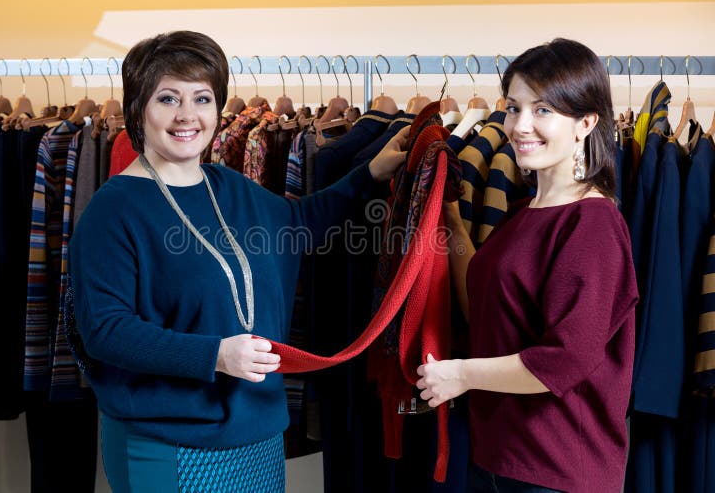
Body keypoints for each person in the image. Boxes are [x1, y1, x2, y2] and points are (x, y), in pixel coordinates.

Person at [67, 30, 407, 492]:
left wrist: (371, 172)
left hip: (258, 436)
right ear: (138, 109)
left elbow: (298, 222)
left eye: (202, 98)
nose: (187, 115)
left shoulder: (227, 186)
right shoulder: (113, 211)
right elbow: (105, 331)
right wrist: (217, 355)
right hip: (168, 442)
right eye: (168, 98)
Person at [416, 38, 638, 493]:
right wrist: (454, 227)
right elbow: (488, 309)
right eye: (513, 107)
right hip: (500, 458)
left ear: (585, 123)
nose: (520, 125)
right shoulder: (524, 212)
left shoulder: (592, 224)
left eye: (542, 111)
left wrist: (460, 374)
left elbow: (564, 359)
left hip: (557, 471)